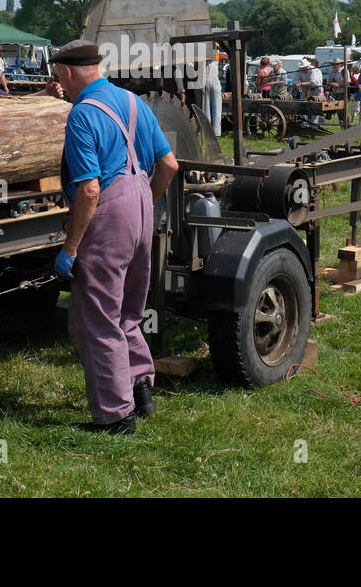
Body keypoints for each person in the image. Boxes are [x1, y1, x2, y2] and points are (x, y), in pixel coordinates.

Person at [50, 39, 179, 435]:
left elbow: (88, 190)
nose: (61, 87)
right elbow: (169, 165)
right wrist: (141, 203)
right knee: (127, 312)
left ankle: (115, 417)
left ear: (68, 73)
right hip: (142, 210)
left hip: (107, 214)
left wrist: (70, 249)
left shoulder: (83, 114)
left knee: (98, 318)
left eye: (59, 80)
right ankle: (141, 391)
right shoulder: (135, 102)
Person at [203, 51, 223, 138]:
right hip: (214, 80)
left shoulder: (202, 58)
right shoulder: (215, 57)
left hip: (206, 80)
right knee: (217, 109)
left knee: (207, 108)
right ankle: (216, 133)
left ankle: (208, 132)